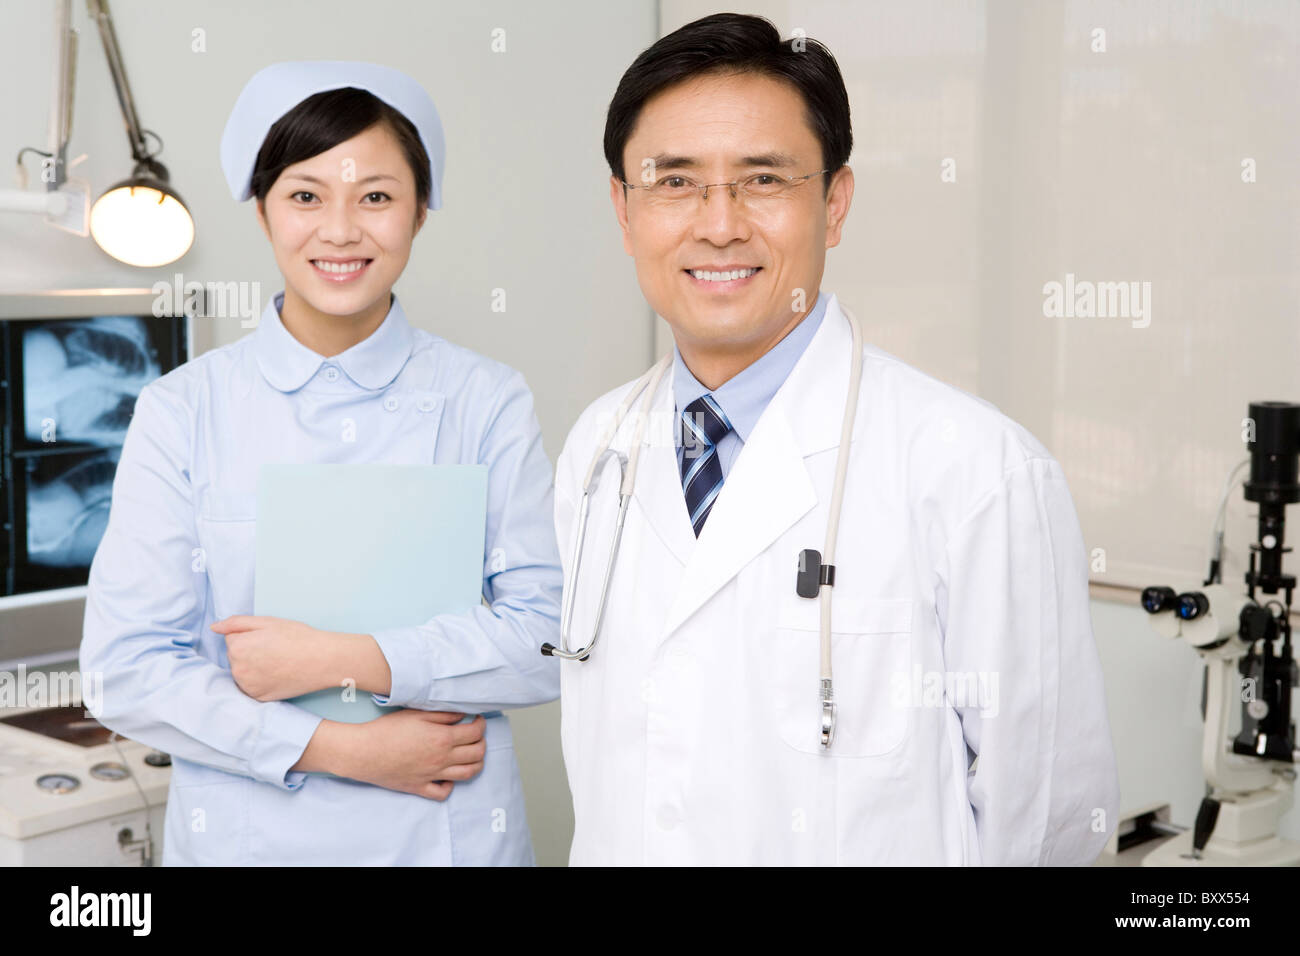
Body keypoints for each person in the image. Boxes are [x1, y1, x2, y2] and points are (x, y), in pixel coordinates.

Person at [553, 14, 1120, 865]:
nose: (718, 224)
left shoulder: (976, 470)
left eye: (762, 180)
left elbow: (1047, 823)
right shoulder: (598, 448)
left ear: (835, 202)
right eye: (674, 183)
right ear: (623, 209)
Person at [81, 61, 561, 866]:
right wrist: (341, 748)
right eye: (306, 195)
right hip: (251, 838)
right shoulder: (183, 410)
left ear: (420, 212)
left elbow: (548, 640)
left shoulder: (485, 400)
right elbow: (126, 670)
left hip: (445, 831)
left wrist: (347, 660)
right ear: (264, 211)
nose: (341, 231)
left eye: (376, 196)